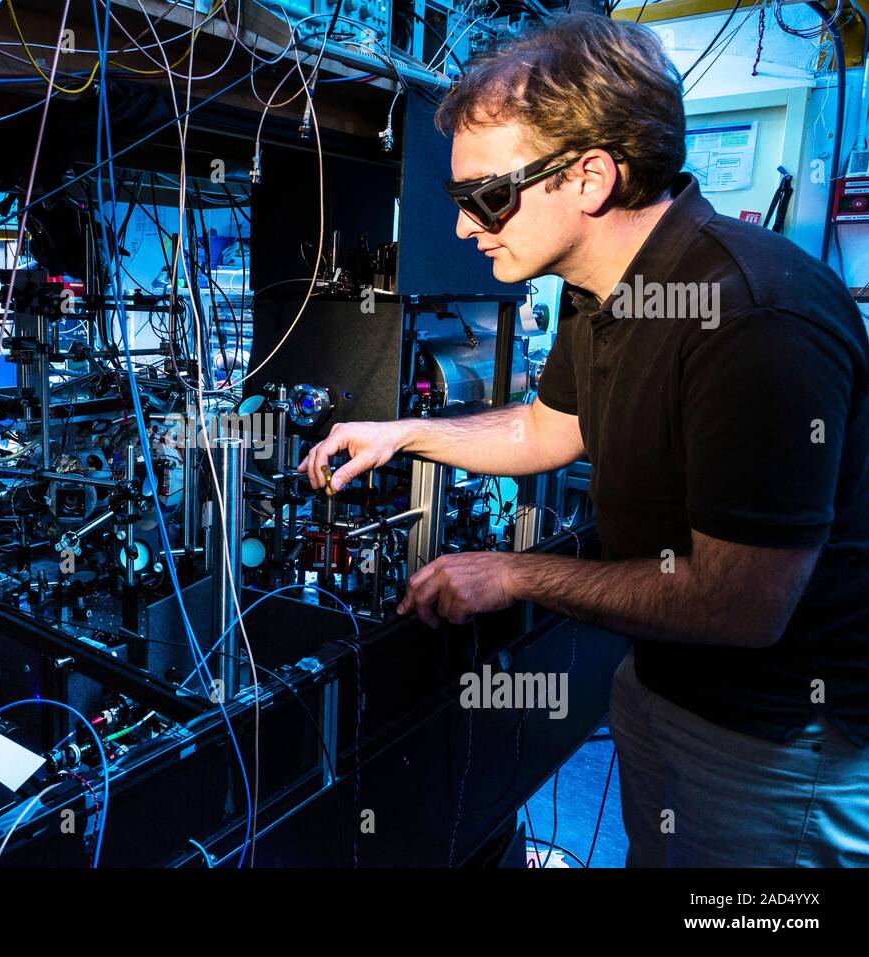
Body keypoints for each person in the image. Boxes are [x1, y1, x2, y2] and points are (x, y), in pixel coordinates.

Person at [299, 13, 869, 867]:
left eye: (483, 196)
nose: (462, 227)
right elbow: (548, 428)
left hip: (775, 742)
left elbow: (743, 603)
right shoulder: (606, 289)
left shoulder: (751, 313)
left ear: (592, 176)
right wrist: (404, 432)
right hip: (664, 682)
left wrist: (515, 572)